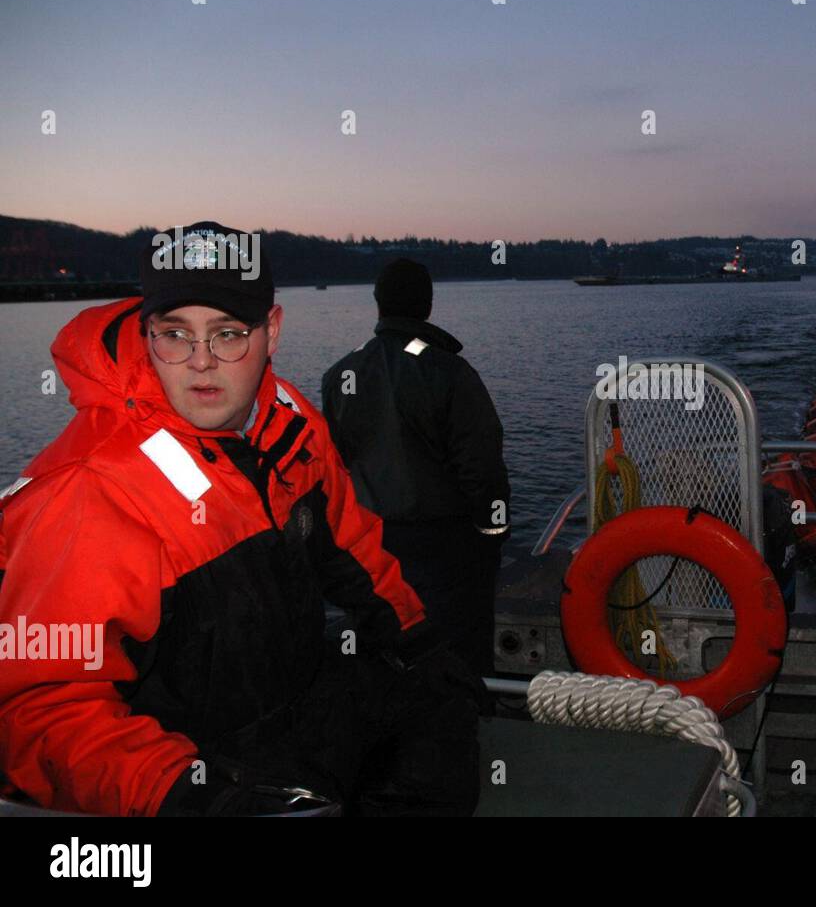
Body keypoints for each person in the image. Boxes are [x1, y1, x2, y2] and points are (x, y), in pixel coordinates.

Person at [0, 222, 483, 816]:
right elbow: (44, 710)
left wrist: (416, 637)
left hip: (286, 707)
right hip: (186, 759)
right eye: (175, 335)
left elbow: (351, 543)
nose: (202, 364)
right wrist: (185, 793)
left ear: (271, 330)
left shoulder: (289, 422)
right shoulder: (87, 490)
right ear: (148, 332)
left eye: (229, 334)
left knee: (436, 706)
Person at [321, 259, 509, 678]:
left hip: (371, 545)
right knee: (458, 650)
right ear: (427, 304)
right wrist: (493, 534)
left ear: (378, 304)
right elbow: (481, 465)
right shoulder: (448, 372)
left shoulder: (341, 375)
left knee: (380, 650)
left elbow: (332, 465)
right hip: (446, 547)